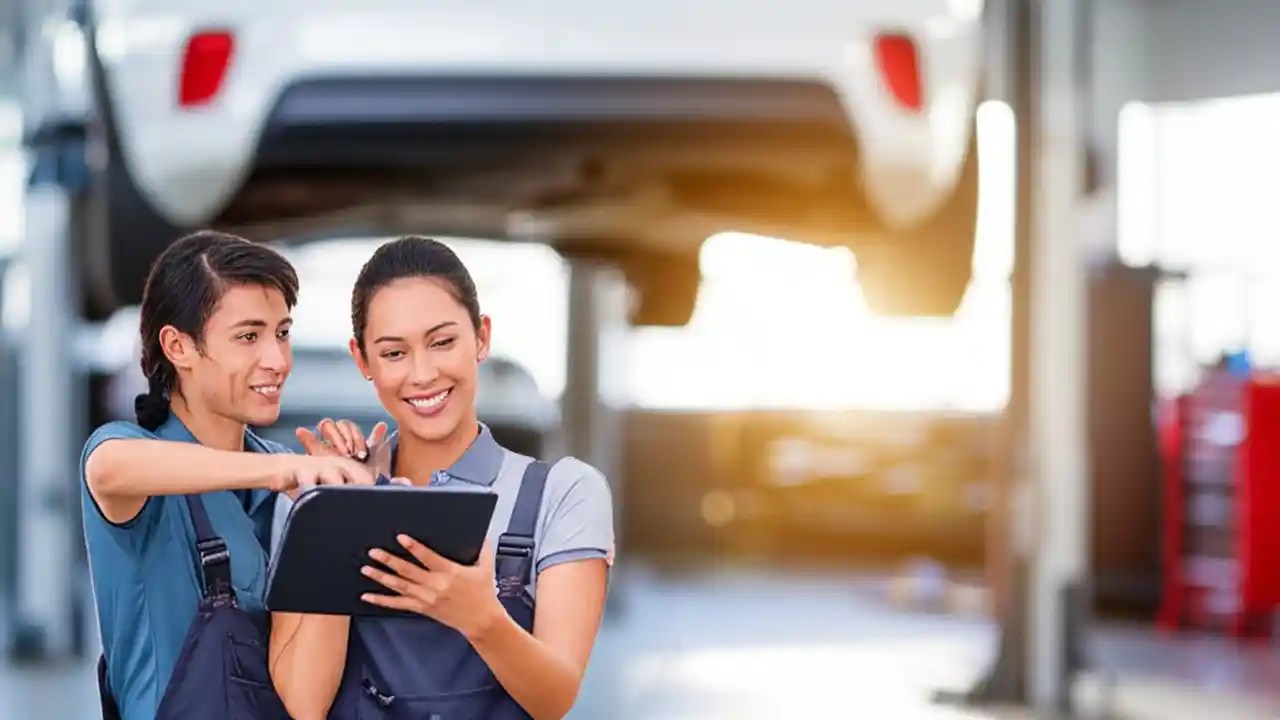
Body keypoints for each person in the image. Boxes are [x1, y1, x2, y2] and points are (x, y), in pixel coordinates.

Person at [269, 236, 615, 720]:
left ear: (481, 337)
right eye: (394, 353)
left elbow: (554, 699)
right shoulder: (320, 496)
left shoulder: (564, 492)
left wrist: (481, 618)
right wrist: (340, 515)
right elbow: (303, 704)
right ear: (362, 360)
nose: (423, 373)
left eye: (442, 342)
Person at [82, 231, 378, 720]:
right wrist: (287, 469)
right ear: (178, 346)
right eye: (248, 337)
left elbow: (304, 703)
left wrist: (335, 513)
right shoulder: (131, 457)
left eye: (282, 333)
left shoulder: (284, 487)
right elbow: (108, 466)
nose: (277, 361)